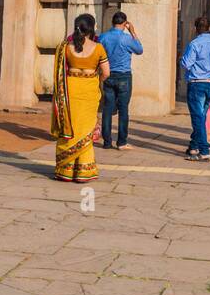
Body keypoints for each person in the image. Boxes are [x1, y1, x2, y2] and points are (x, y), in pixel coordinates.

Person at [50, 13, 108, 183]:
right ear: (91, 28)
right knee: (85, 129)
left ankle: (65, 170)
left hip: (70, 91)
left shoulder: (65, 48)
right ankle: (83, 171)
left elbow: (60, 72)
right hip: (89, 91)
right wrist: (95, 80)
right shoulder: (98, 48)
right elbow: (106, 73)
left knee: (70, 126)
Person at [179, 17, 210, 162]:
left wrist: (182, 59)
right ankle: (194, 146)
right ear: (209, 28)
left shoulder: (195, 44)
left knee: (197, 118)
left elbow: (186, 64)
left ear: (196, 28)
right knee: (201, 117)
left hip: (196, 83)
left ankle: (204, 150)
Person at [98, 11, 142, 150]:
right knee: (123, 110)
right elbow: (139, 50)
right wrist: (133, 32)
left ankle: (106, 141)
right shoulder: (127, 38)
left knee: (107, 108)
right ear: (125, 23)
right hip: (124, 76)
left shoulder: (103, 37)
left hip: (108, 75)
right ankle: (122, 142)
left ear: (112, 22)